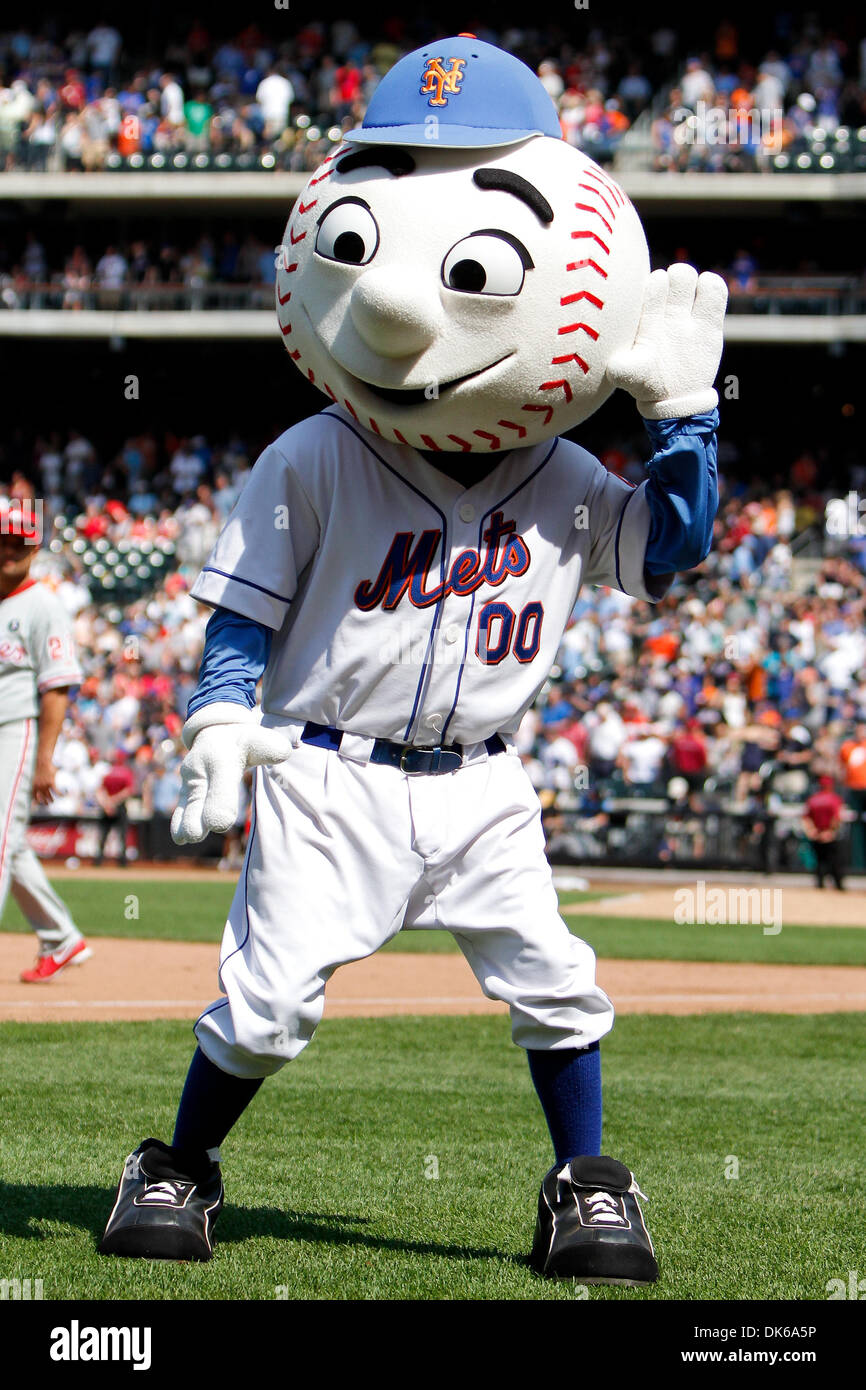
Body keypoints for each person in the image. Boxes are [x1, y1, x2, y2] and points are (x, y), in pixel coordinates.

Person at [100, 36, 726, 1285]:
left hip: (482, 782)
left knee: (557, 981)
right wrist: (219, 722)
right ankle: (177, 1163)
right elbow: (242, 616)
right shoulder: (311, 455)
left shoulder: (557, 470)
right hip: (328, 772)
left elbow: (665, 554)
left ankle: (584, 1185)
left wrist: (682, 423)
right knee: (266, 1007)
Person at [0, 500, 91, 981]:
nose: (11, 549)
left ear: (34, 548)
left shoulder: (44, 603)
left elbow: (56, 687)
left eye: (21, 541)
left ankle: (60, 937)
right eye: (4, 539)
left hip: (16, 728)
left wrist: (44, 761)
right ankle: (61, 937)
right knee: (9, 845)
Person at [802, 774, 846, 890]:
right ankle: (838, 886)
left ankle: (820, 885)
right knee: (835, 862)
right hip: (830, 836)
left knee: (820, 862)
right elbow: (836, 818)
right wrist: (830, 832)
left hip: (817, 835)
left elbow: (806, 818)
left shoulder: (812, 800)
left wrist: (812, 831)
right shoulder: (834, 799)